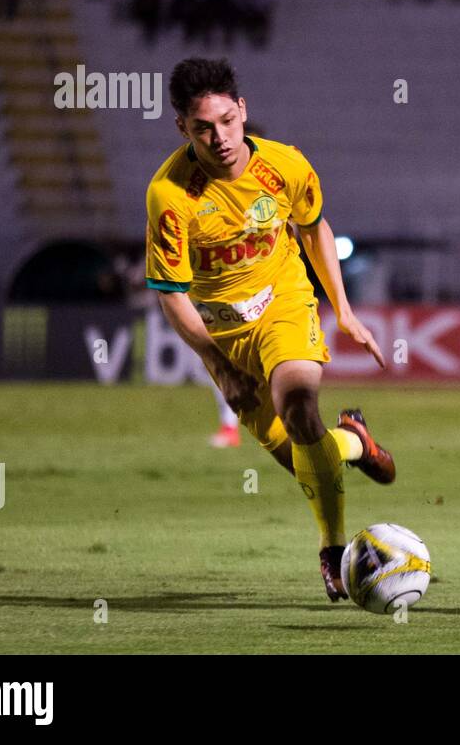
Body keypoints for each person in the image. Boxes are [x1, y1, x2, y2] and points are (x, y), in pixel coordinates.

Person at [145, 57, 393, 601]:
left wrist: (343, 309)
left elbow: (314, 227)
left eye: (227, 121)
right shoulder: (170, 195)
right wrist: (218, 365)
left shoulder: (284, 165)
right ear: (183, 128)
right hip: (222, 331)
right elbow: (170, 293)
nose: (220, 138)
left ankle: (333, 550)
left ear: (242, 110)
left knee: (300, 405)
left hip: (283, 300)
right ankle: (354, 442)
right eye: (203, 128)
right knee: (298, 453)